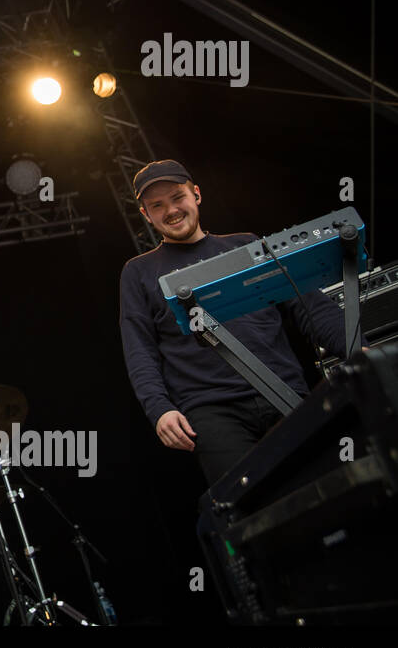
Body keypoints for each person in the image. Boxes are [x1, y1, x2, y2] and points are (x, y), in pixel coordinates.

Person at [118, 160, 358, 485]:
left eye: (178, 197)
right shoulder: (138, 272)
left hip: (285, 390)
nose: (171, 210)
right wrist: (158, 409)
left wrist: (362, 353)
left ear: (196, 194)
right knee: (251, 508)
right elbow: (139, 350)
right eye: (157, 206)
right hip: (211, 410)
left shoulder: (244, 244)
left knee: (326, 485)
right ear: (146, 214)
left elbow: (311, 308)